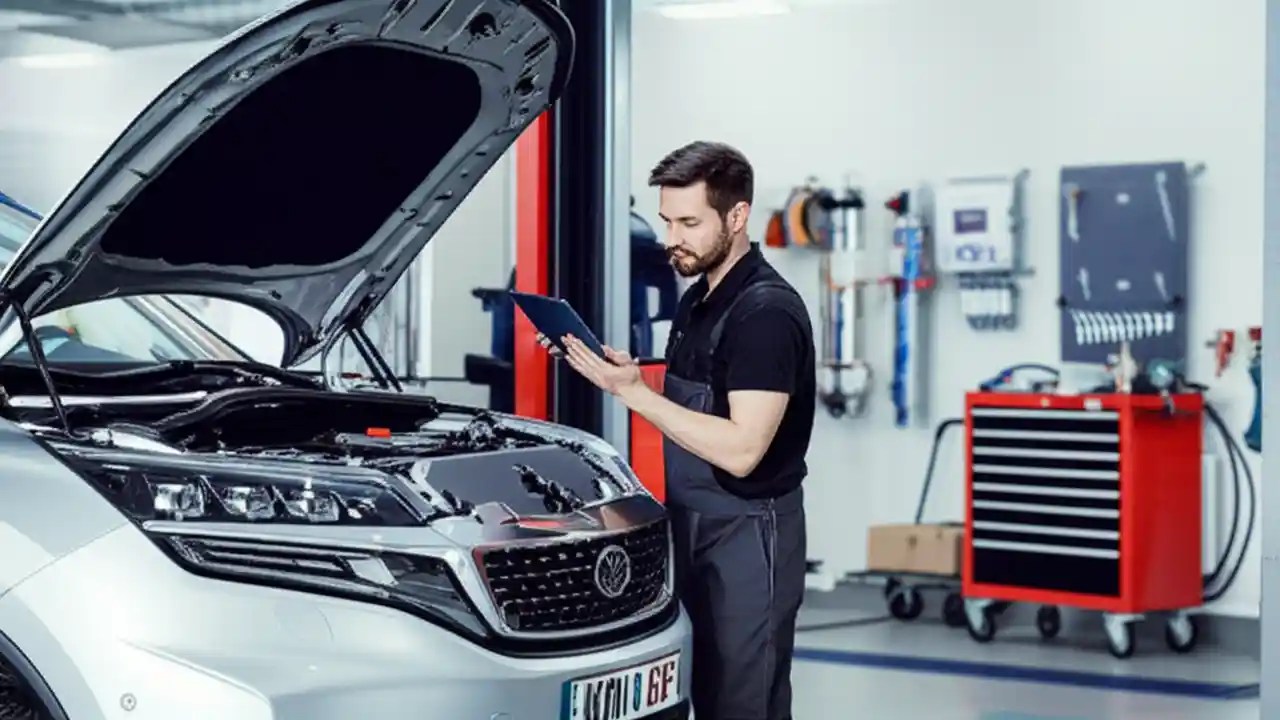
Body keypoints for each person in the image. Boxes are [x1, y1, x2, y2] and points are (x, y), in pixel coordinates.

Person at [541, 140, 816, 720]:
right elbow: (693, 405)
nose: (672, 239)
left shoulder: (764, 313)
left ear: (737, 217)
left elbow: (743, 450)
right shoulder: (698, 302)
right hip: (693, 523)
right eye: (667, 221)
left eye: (690, 222)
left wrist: (635, 394)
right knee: (701, 694)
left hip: (750, 536)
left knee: (745, 703)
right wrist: (618, 371)